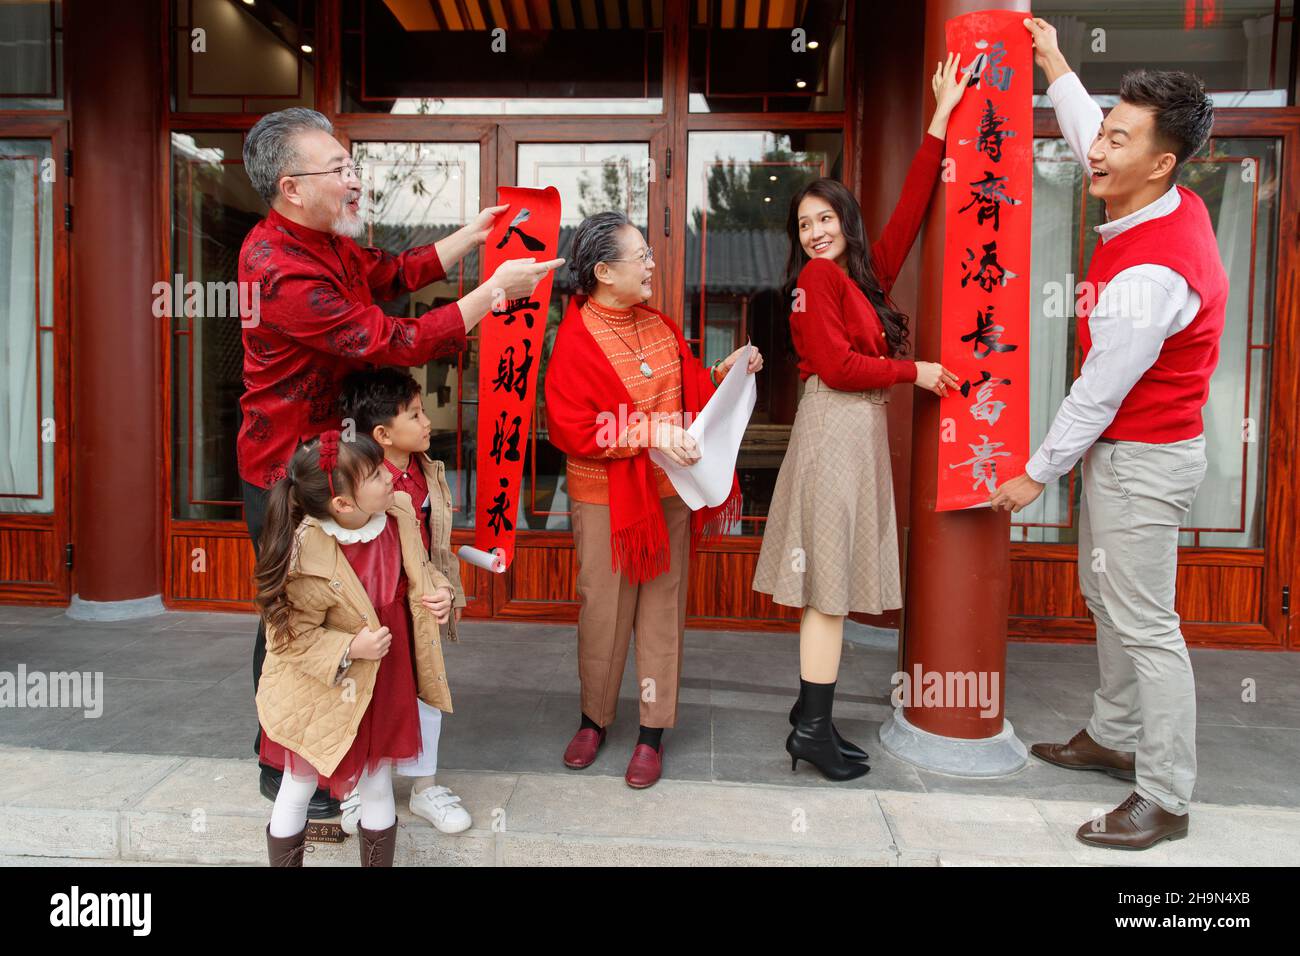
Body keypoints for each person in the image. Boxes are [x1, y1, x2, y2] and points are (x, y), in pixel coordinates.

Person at [238, 107, 562, 814]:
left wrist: (470, 239)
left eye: (352, 165)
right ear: (291, 187)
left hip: (342, 463)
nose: (354, 180)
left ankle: (339, 755)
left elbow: (391, 272)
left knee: (348, 610)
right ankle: (282, 765)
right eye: (340, 169)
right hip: (287, 471)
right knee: (293, 620)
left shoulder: (327, 239)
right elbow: (390, 339)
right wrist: (494, 293)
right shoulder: (279, 269)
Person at [990, 19, 1223, 851]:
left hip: (1141, 460)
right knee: (1111, 603)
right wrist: (1055, 63)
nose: (1098, 150)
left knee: (1146, 623)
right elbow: (1094, 134)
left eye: (1120, 140)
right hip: (1131, 455)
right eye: (1108, 130)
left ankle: (1164, 794)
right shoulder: (1154, 190)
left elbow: (1095, 395)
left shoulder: (1151, 275)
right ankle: (1115, 735)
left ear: (1159, 162)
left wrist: (1032, 473)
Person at [751, 55, 969, 781]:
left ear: (844, 218)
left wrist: (938, 120)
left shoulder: (856, 276)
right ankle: (812, 729)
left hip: (856, 430)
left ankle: (809, 720)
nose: (814, 233)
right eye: (803, 224)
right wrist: (918, 371)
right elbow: (840, 368)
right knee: (829, 590)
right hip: (836, 426)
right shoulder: (815, 282)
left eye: (824, 218)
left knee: (833, 588)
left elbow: (908, 212)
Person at [544, 211, 761, 789]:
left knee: (663, 614)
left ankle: (652, 731)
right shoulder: (576, 339)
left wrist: (727, 369)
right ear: (603, 271)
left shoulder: (659, 325)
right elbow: (570, 427)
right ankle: (595, 719)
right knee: (604, 613)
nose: (651, 265)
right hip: (606, 501)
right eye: (641, 256)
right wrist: (646, 432)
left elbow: (692, 388)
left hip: (669, 495)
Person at [253, 431, 457, 866]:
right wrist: (350, 646)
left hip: (385, 673)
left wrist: (440, 591)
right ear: (343, 505)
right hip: (323, 687)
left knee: (377, 781)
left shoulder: (398, 511)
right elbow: (288, 636)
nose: (391, 478)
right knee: (299, 783)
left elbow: (421, 569)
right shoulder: (305, 550)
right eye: (377, 475)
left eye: (384, 468)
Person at [337, 367, 470, 834]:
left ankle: (423, 785)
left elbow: (433, 547)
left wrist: (445, 590)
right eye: (414, 415)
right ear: (382, 434)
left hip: (419, 605)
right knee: (364, 694)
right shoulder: (358, 483)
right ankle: (354, 786)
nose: (427, 421)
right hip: (369, 612)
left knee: (426, 689)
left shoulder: (427, 470)